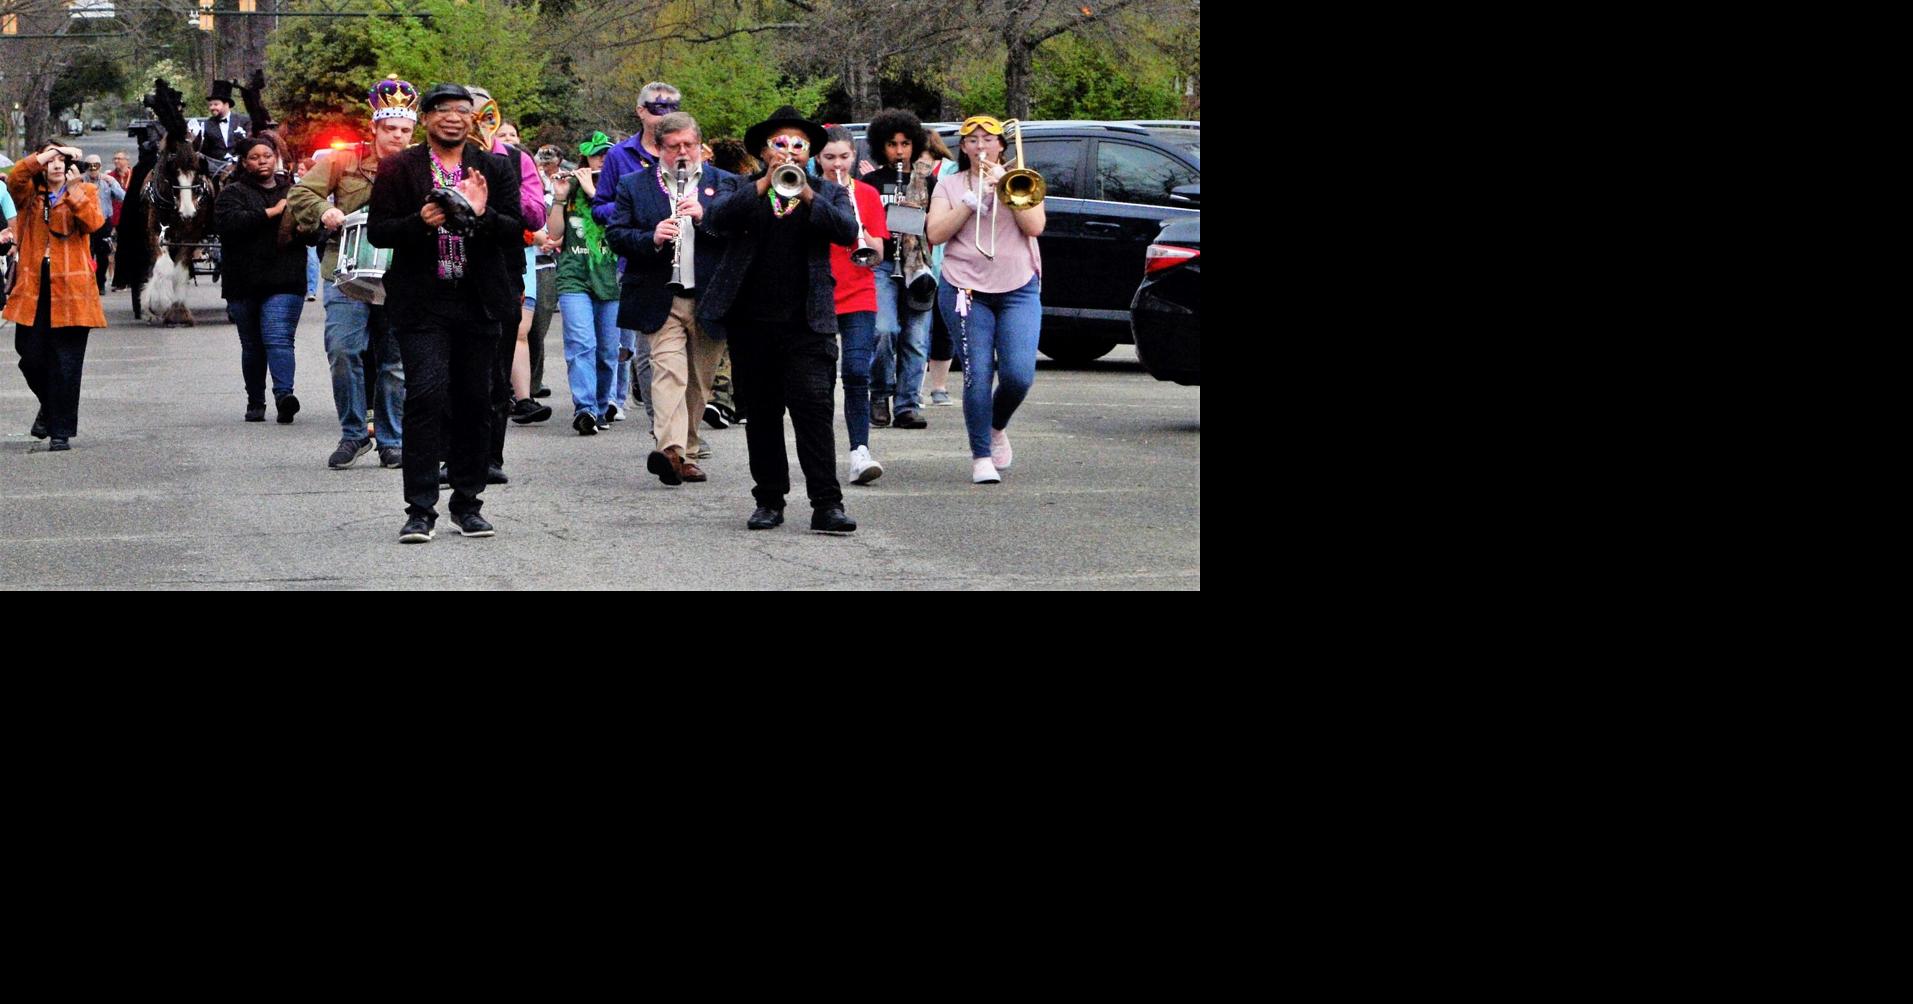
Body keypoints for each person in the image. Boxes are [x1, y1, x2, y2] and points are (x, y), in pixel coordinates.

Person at [367, 83, 524, 544]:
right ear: (427, 118)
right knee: (426, 397)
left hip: (478, 300)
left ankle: (468, 504)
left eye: (462, 110)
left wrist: (479, 214)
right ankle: (420, 510)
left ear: (473, 119)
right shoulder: (400, 166)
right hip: (423, 301)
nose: (453, 117)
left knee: (476, 400)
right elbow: (379, 232)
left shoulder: (495, 165)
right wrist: (421, 223)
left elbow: (518, 227)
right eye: (442, 111)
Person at [699, 106, 859, 533]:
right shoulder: (742, 187)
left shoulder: (829, 191)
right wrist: (767, 184)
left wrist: (805, 193)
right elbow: (715, 223)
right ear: (765, 151)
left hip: (808, 322)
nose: (788, 152)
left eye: (797, 145)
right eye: (779, 144)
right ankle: (769, 499)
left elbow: (846, 232)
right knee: (763, 415)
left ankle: (827, 503)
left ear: (809, 152)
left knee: (814, 412)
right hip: (752, 323)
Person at [289, 73, 418, 470]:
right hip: (345, 271)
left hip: (401, 274)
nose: (398, 136)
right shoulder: (343, 159)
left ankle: (392, 439)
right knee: (344, 350)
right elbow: (300, 192)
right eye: (391, 128)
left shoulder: (421, 164)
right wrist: (323, 211)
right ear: (375, 127)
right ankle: (353, 433)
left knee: (394, 361)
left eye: (405, 130)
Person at [606, 112, 737, 484]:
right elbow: (616, 234)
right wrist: (651, 237)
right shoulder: (635, 185)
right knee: (667, 372)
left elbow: (741, 235)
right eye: (673, 146)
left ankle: (689, 452)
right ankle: (670, 450)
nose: (682, 153)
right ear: (659, 149)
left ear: (701, 147)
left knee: (699, 380)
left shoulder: (726, 185)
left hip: (709, 295)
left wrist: (706, 217)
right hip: (661, 295)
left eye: (689, 145)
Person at [926, 114, 1046, 484]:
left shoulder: (1020, 179)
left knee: (1018, 375)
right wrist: (971, 201)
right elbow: (935, 234)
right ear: (962, 148)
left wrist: (1005, 191)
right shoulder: (948, 184)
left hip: (1018, 287)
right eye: (973, 141)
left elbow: (1034, 227)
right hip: (964, 289)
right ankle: (981, 455)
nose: (981, 147)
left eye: (988, 140)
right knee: (977, 375)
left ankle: (995, 427)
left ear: (1001, 146)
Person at [464, 86, 548, 483]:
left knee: (495, 370)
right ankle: (453, 454)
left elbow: (534, 215)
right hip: (447, 272)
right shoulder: (435, 160)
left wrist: (497, 184)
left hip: (501, 271)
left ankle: (490, 457)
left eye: (480, 116)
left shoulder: (515, 159)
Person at [593, 81, 681, 432]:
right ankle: (661, 425)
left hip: (687, 260)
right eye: (657, 107)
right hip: (639, 260)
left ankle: (683, 424)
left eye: (672, 106)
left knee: (684, 348)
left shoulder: (687, 149)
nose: (665, 114)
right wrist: (640, 204)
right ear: (640, 111)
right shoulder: (619, 156)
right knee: (649, 348)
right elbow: (601, 209)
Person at [6, 143, 105, 453]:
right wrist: (45, 153)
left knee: (66, 363)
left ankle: (60, 431)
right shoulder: (28, 196)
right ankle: (50, 409)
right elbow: (14, 179)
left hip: (74, 292)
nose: (57, 165)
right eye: (51, 160)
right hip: (34, 289)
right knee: (30, 356)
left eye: (63, 160)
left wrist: (74, 191)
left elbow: (93, 223)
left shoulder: (85, 192)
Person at [213, 136, 307, 424]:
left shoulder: (293, 192)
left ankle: (284, 397)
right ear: (244, 162)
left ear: (275, 157)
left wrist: (307, 227)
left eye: (267, 155)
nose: (262, 160)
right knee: (252, 345)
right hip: (244, 280)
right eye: (255, 157)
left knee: (278, 338)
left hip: (285, 278)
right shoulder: (232, 193)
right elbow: (229, 224)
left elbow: (313, 231)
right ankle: (256, 400)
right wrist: (271, 213)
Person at [817, 125, 890, 485]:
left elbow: (877, 255)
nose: (837, 164)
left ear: (854, 156)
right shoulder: (807, 191)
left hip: (859, 292)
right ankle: (823, 454)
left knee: (858, 372)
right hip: (819, 294)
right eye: (829, 158)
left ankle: (859, 451)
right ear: (818, 158)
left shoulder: (867, 194)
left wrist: (865, 237)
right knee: (821, 378)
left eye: (844, 157)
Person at [858, 109, 939, 432]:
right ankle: (879, 394)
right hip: (881, 265)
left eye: (906, 144)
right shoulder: (870, 182)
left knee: (916, 339)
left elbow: (937, 226)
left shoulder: (929, 182)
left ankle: (907, 404)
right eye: (892, 144)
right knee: (884, 330)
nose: (900, 151)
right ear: (881, 147)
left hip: (916, 265)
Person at [549, 132, 624, 437]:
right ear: (586, 160)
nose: (602, 161)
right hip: (574, 277)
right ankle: (585, 408)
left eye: (608, 155)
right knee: (581, 345)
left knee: (607, 351)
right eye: (596, 156)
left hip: (611, 280)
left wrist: (596, 191)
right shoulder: (572, 190)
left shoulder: (625, 188)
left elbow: (621, 220)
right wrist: (558, 198)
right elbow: (554, 234)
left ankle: (602, 403)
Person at [80, 155, 124, 295]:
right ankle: (87, 283)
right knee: (86, 254)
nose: (93, 169)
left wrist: (112, 183)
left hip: (103, 222)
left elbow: (123, 197)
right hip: (85, 223)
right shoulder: (80, 181)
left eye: (96, 165)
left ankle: (100, 283)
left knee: (103, 255)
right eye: (89, 165)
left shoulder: (107, 181)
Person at [199, 79, 251, 164]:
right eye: (210, 105)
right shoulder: (207, 124)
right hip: (216, 168)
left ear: (226, 105)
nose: (212, 108)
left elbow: (250, 144)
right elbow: (204, 151)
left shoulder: (244, 121)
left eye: (216, 104)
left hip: (241, 167)